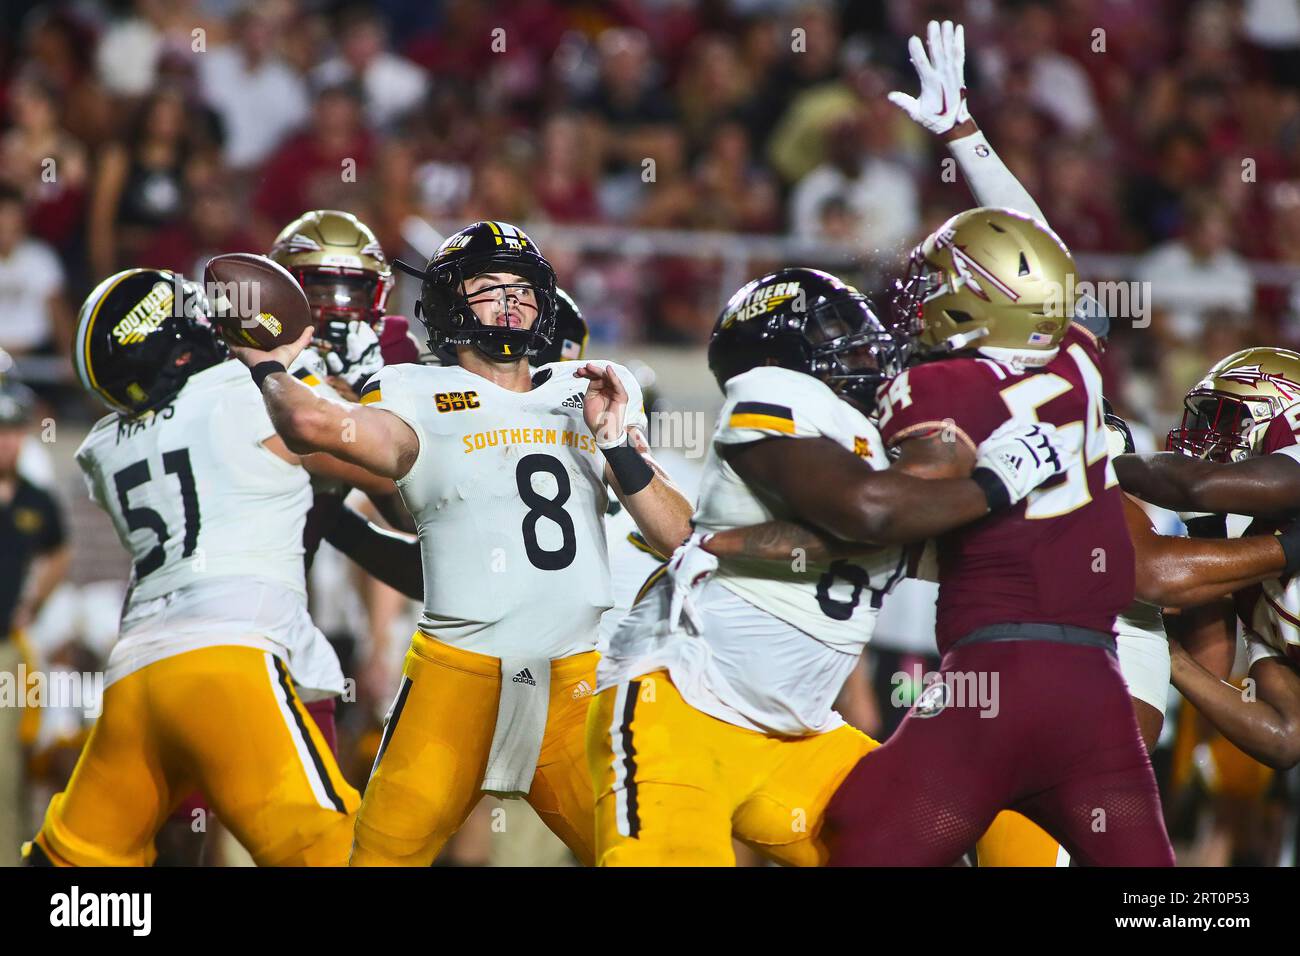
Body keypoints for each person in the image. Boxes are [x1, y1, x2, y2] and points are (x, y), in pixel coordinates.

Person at [225, 221, 695, 865]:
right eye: (489, 287)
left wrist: (617, 444)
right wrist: (269, 367)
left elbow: (679, 538)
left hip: (572, 676)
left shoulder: (589, 388)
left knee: (651, 858)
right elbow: (309, 424)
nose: (510, 302)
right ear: (449, 301)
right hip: (456, 679)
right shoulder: (411, 390)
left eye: (523, 288)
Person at [587, 266, 1071, 866]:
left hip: (799, 738)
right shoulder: (773, 393)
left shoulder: (878, 442)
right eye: (833, 330)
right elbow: (866, 513)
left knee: (989, 794)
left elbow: (954, 549)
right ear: (779, 348)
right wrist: (1000, 479)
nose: (862, 346)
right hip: (679, 710)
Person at [23, 268, 387, 866]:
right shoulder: (249, 397)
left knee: (70, 870)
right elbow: (383, 462)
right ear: (179, 338)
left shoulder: (102, 449)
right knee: (337, 850)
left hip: (135, 677)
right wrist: (332, 374)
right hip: (231, 657)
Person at [0, 375, 69, 866]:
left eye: (13, 429)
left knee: (12, 766)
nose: (8, 440)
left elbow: (59, 550)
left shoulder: (33, 498)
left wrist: (34, 603)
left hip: (8, 648)